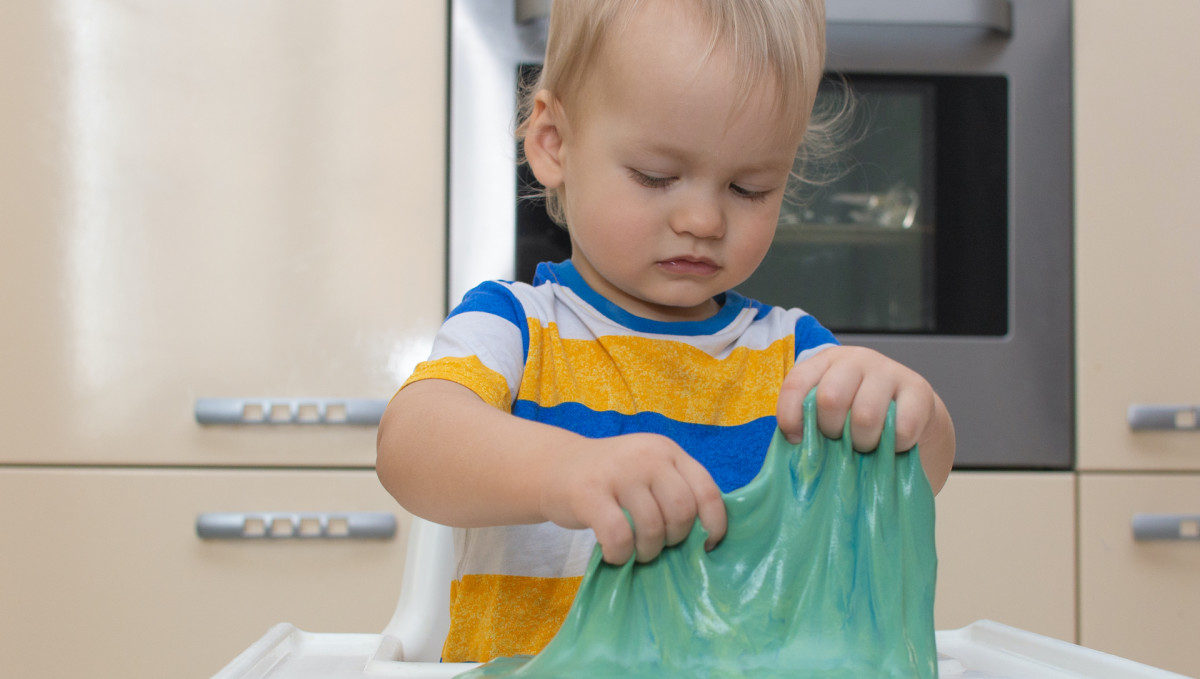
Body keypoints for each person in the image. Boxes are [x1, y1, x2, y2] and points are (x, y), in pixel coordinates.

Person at [376, 0, 955, 664]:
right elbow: (411, 443)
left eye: (748, 187)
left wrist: (909, 410)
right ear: (554, 143)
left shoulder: (792, 356)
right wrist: (564, 469)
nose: (704, 218)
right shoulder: (518, 325)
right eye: (657, 176)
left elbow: (920, 469)